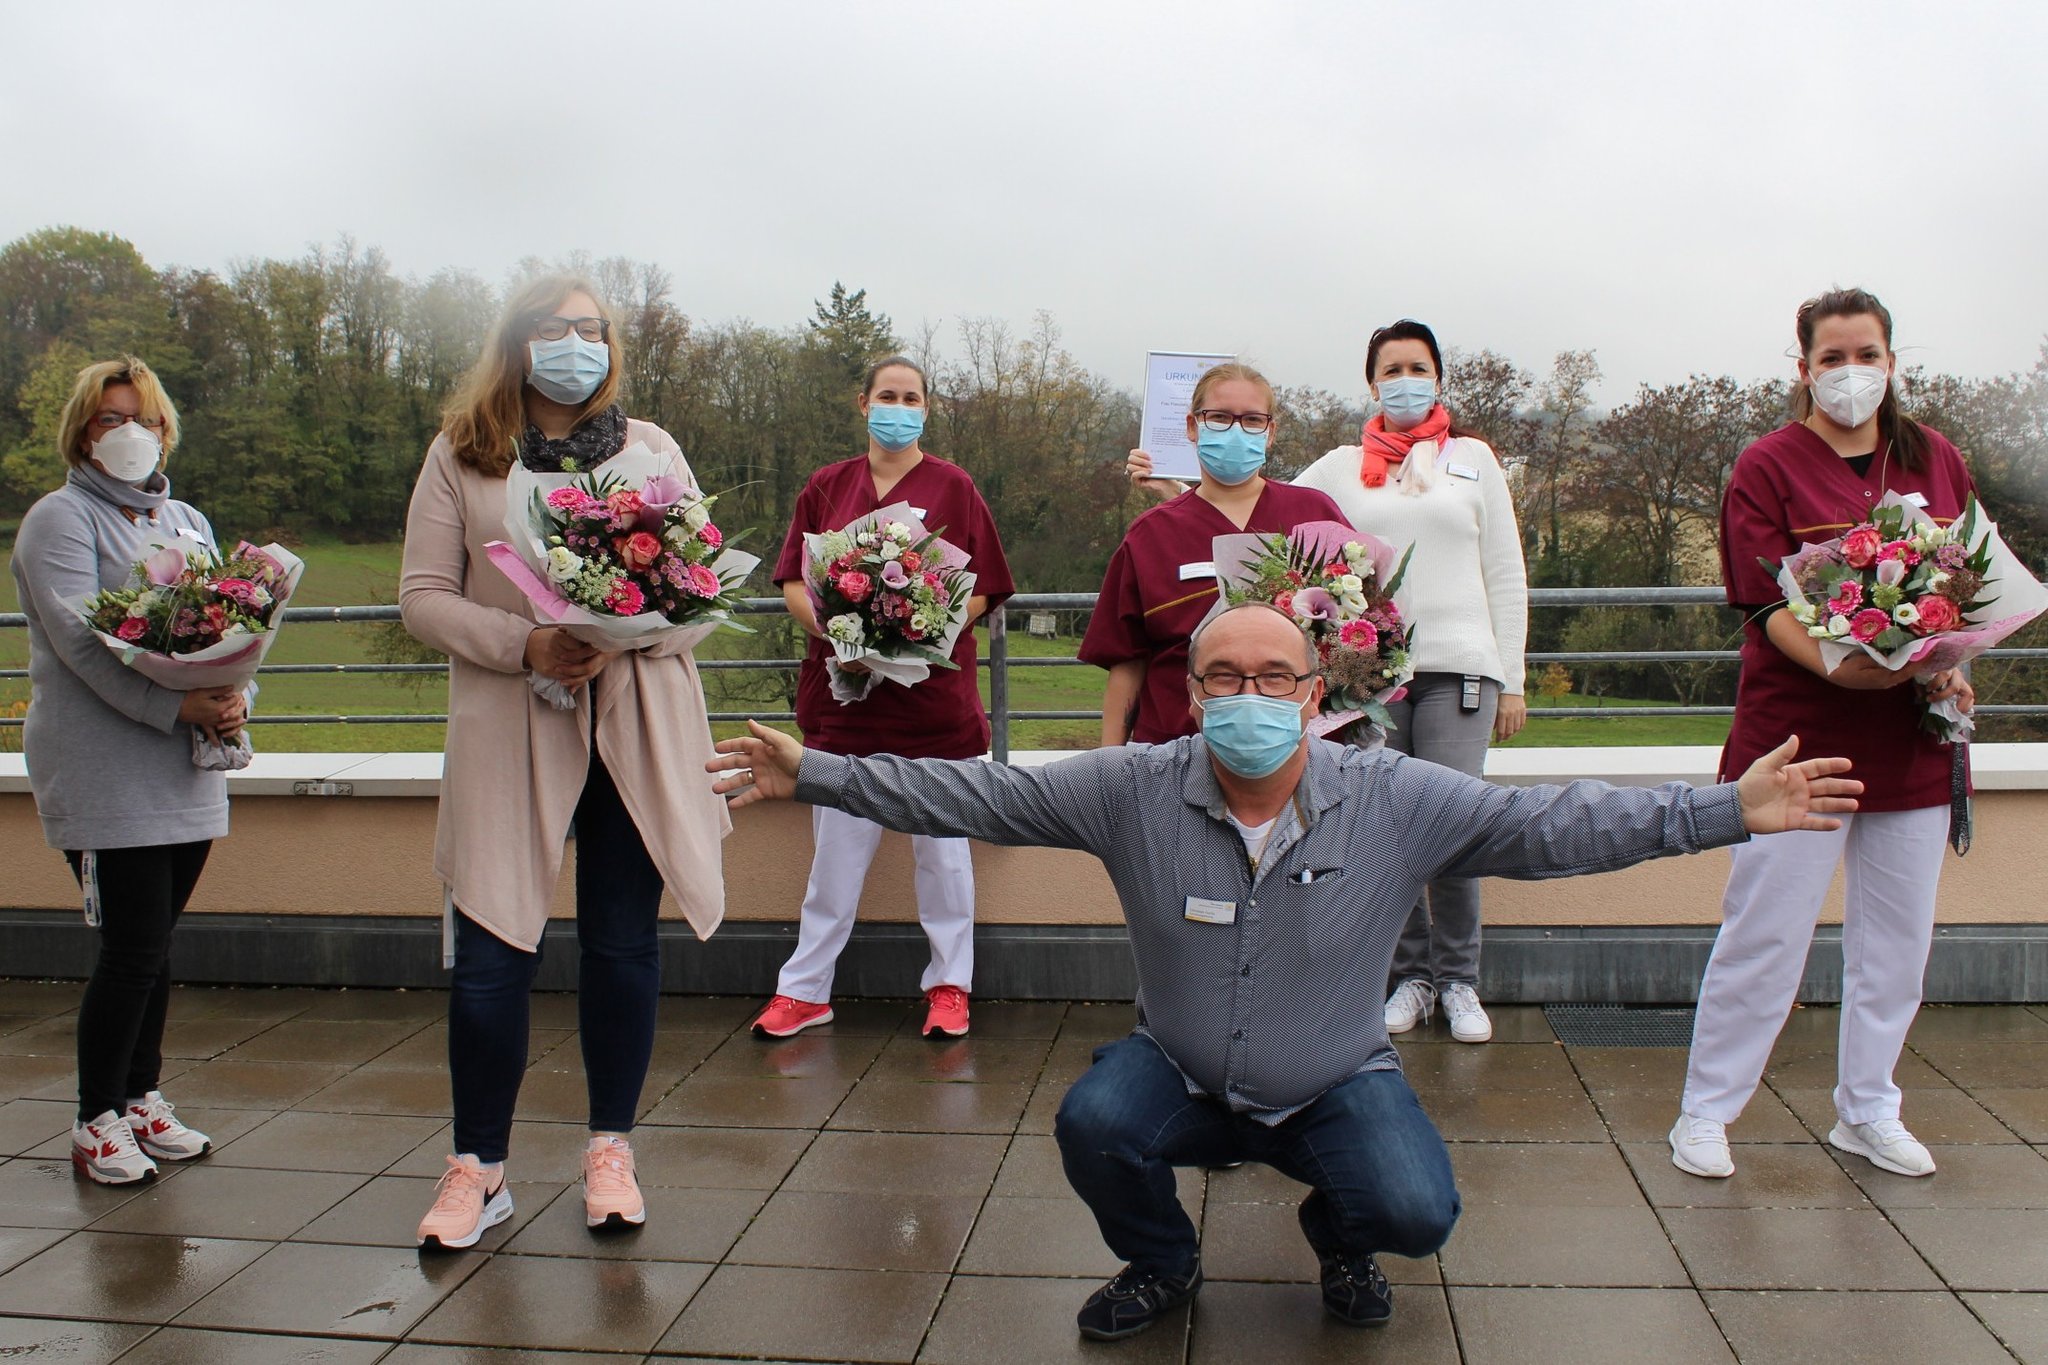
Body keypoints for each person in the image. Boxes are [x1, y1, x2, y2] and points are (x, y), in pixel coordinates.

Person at [708, 601, 1859, 1341]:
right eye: (1221, 676)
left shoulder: (1395, 798)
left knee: (1414, 1211)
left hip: (1336, 1078)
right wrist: (818, 773)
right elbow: (976, 792)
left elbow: (1553, 825)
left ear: (1316, 697)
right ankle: (1162, 1266)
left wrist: (1724, 812)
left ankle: (1338, 1237)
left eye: (1273, 678)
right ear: (1189, 692)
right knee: (1092, 1122)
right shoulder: (1131, 787)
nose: (1246, 698)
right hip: (1180, 1068)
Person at [400, 276, 731, 1248]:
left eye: (590, 329)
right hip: (513, 725)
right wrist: (526, 644)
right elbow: (421, 597)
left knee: (622, 948)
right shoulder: (464, 455)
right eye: (554, 327)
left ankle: (609, 1149)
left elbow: (697, 591)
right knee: (493, 956)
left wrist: (628, 632)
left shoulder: (651, 449)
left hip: (633, 725)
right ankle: (478, 1166)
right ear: (516, 341)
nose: (574, 343)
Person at [1130, 325, 1530, 1044]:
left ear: (1438, 378)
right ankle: (1409, 976)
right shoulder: (1342, 468)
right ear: (1372, 384)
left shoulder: (1474, 461)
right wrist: (1169, 489)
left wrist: (1514, 677)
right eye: (1391, 369)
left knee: (1457, 825)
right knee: (1387, 822)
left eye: (1419, 367)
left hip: (1462, 668)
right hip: (1373, 680)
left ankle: (1460, 979)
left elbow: (1506, 570)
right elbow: (1251, 503)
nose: (1406, 378)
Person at [1669, 288, 1976, 1183]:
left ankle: (1869, 1106)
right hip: (1800, 741)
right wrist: (1844, 668)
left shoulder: (1935, 458)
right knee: (1766, 932)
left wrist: (1950, 661)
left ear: (1893, 360)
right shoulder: (1767, 465)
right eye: (1833, 357)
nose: (1853, 374)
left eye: (1867, 354)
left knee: (1897, 941)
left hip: (1913, 739)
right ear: (1802, 367)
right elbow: (1763, 603)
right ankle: (1708, 1109)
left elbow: (1966, 583)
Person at [10, 356, 242, 1185]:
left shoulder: (186, 519)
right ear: (83, 430)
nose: (129, 431)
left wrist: (228, 695)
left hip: (181, 768)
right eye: (111, 418)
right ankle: (95, 1116)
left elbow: (228, 622)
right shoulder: (59, 521)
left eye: (141, 416)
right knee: (130, 945)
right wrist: (174, 707)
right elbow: (80, 646)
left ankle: (140, 1095)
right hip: (105, 767)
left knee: (156, 942)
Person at [749, 356, 1012, 1041]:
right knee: (834, 859)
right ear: (863, 403)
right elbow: (793, 585)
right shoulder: (826, 486)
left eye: (912, 397)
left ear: (927, 408)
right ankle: (805, 991)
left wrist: (920, 632)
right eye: (887, 395)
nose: (899, 406)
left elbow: (984, 587)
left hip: (933, 706)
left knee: (944, 856)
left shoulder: (955, 487)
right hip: (846, 701)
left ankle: (951, 985)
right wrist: (842, 634)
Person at [1081, 363, 1346, 747]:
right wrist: (1108, 764)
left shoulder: (1315, 516)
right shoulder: (1151, 535)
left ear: (1270, 432)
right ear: (1192, 426)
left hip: (1299, 754)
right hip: (1174, 753)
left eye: (1252, 420)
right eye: (1219, 418)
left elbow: (1362, 638)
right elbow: (1127, 663)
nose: (1236, 430)